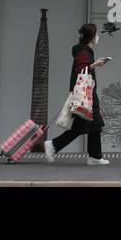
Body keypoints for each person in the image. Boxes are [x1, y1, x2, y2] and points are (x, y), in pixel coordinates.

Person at [44, 23, 110, 165]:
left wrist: (94, 64)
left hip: (87, 93)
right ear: (92, 37)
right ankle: (54, 145)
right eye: (97, 34)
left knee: (95, 124)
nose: (98, 37)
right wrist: (95, 64)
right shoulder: (83, 51)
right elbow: (81, 69)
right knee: (82, 125)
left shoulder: (84, 50)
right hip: (85, 95)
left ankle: (95, 156)